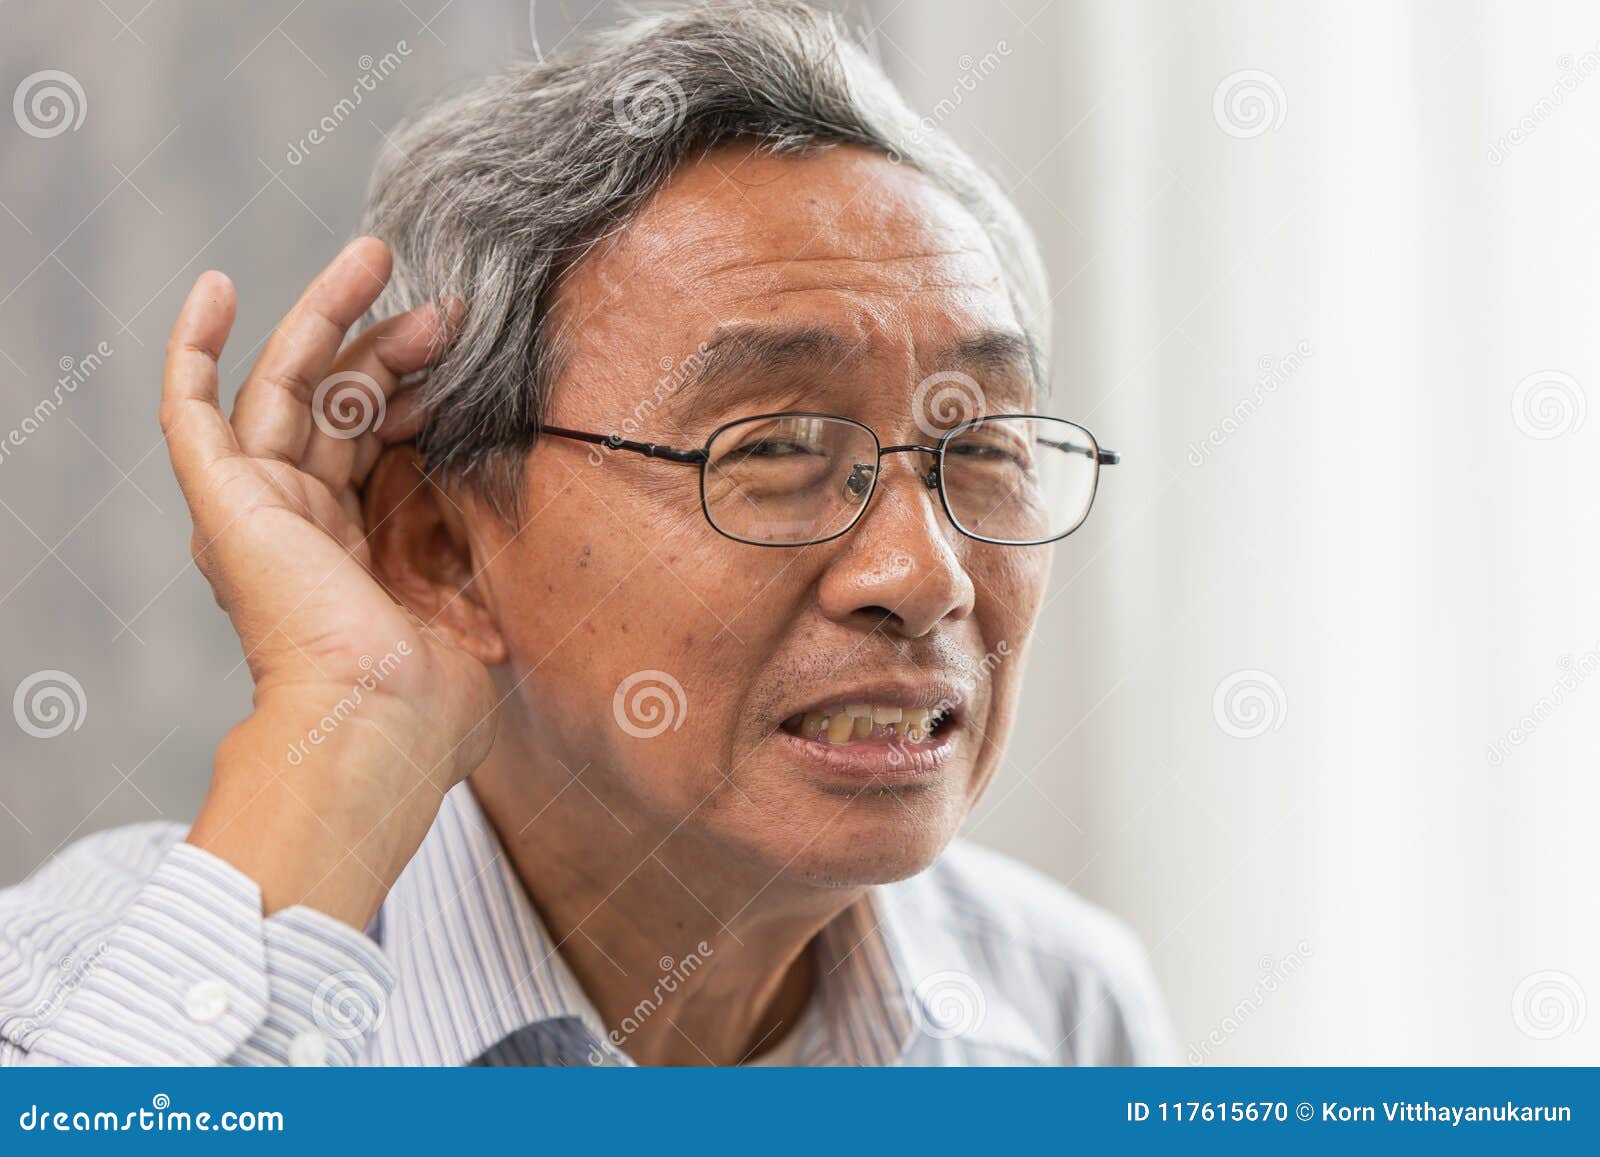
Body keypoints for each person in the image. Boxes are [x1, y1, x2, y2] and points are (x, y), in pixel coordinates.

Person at [0, 0, 1171, 1067]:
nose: (921, 575)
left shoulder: (1058, 1009)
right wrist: (340, 713)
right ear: (440, 545)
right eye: (769, 450)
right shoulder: (80, 996)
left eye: (982, 448)